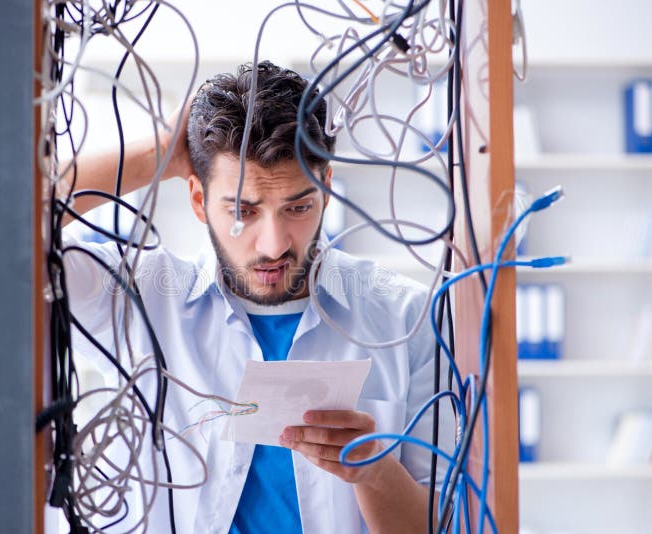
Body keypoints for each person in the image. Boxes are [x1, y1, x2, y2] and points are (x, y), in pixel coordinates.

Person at [63, 61, 454, 534]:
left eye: (298, 207)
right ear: (198, 200)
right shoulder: (138, 297)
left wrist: (375, 471)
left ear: (327, 190)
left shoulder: (406, 317)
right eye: (242, 211)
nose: (274, 245)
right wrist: (156, 153)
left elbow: (441, 526)